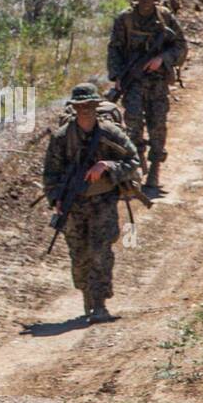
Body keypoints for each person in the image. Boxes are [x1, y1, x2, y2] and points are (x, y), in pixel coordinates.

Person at [42, 84, 140, 324]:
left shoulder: (109, 133)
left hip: (102, 200)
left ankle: (99, 303)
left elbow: (133, 159)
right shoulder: (62, 137)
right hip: (72, 204)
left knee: (100, 251)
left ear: (96, 106)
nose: (85, 110)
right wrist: (55, 200)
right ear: (74, 108)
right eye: (80, 106)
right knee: (79, 254)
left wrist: (108, 166)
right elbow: (50, 174)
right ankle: (87, 294)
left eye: (89, 106)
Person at [106, 0, 187, 193]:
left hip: (158, 81)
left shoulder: (165, 18)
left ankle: (155, 168)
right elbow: (114, 48)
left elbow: (180, 46)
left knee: (157, 123)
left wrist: (162, 59)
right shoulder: (125, 19)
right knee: (132, 122)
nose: (146, 1)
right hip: (133, 81)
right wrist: (117, 75)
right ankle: (138, 163)